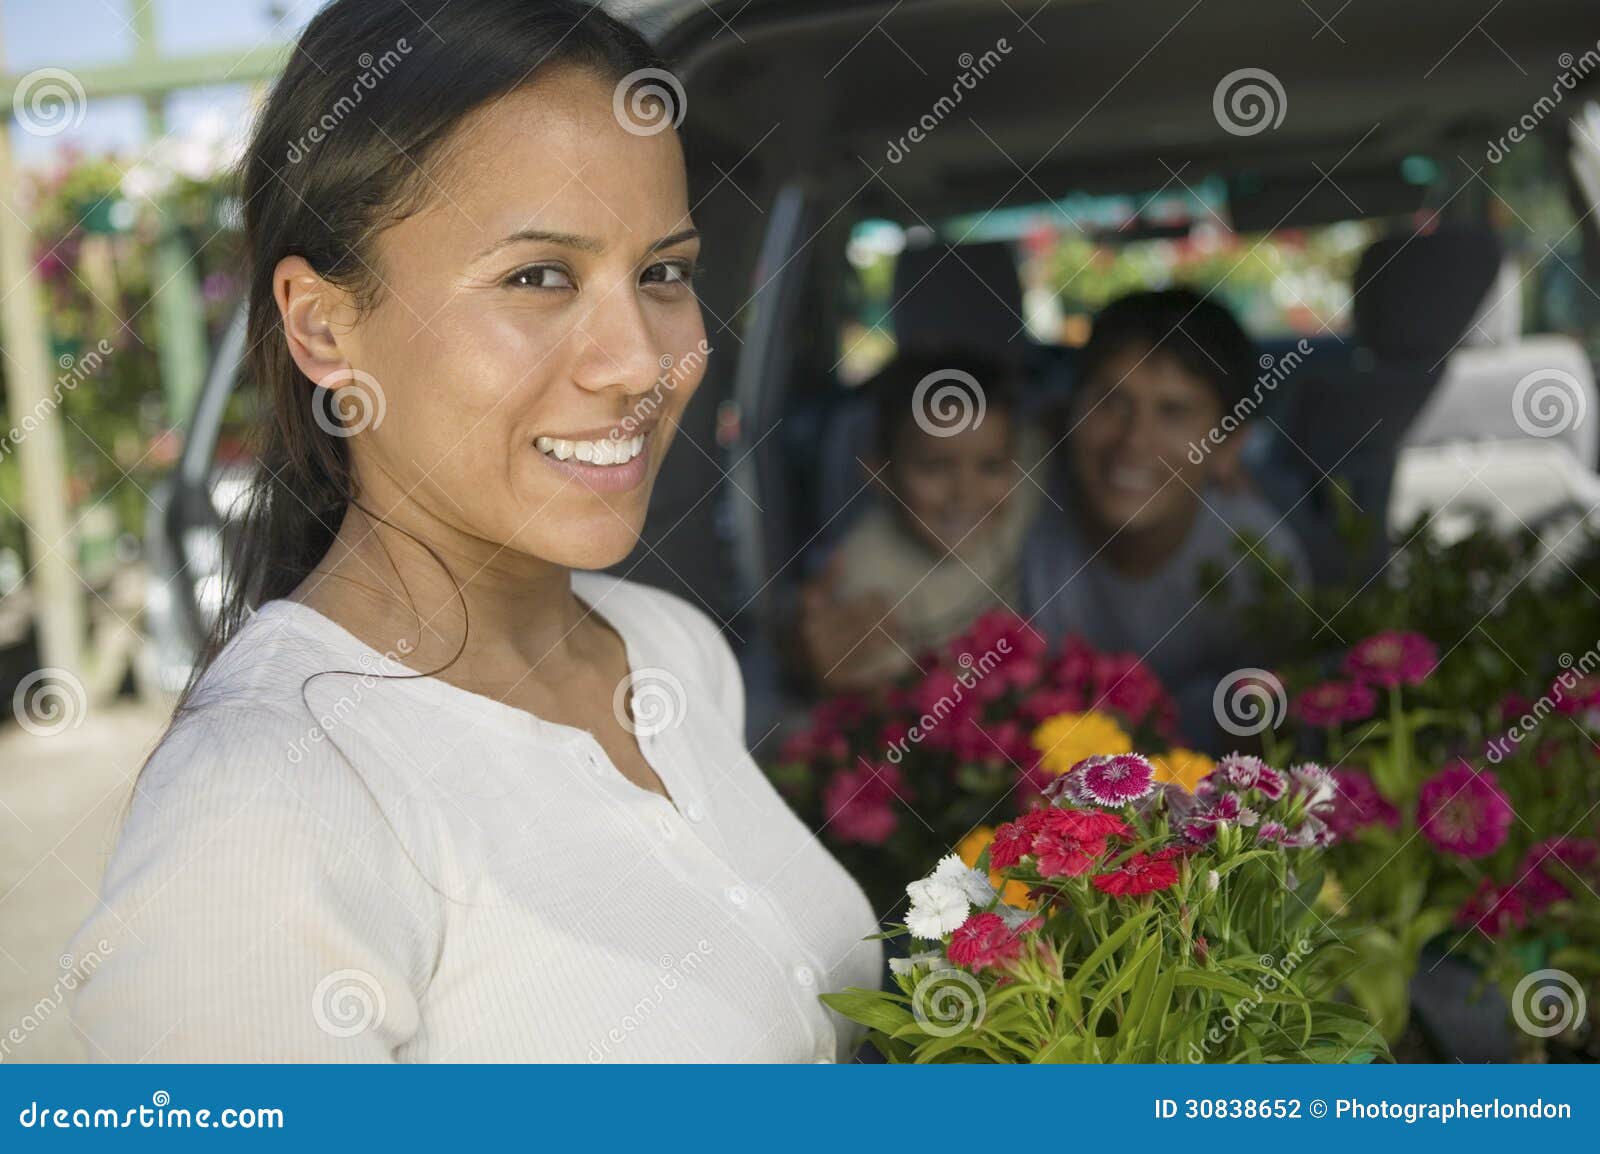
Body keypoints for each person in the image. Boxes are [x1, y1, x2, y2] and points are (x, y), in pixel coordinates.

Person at [70, 0, 879, 1063]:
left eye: (663, 272)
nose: (639, 359)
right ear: (322, 327)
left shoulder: (665, 649)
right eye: (538, 276)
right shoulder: (267, 804)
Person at [1021, 288, 1309, 745]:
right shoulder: (1015, 504)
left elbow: (1268, 739)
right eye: (1110, 402)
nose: (1134, 441)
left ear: (1228, 446)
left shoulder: (1258, 561)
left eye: (1173, 411)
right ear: (1069, 413)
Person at [797, 351, 1039, 691]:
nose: (966, 495)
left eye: (990, 467)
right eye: (935, 468)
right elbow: (883, 699)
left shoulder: (1020, 491)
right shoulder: (862, 575)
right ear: (879, 474)